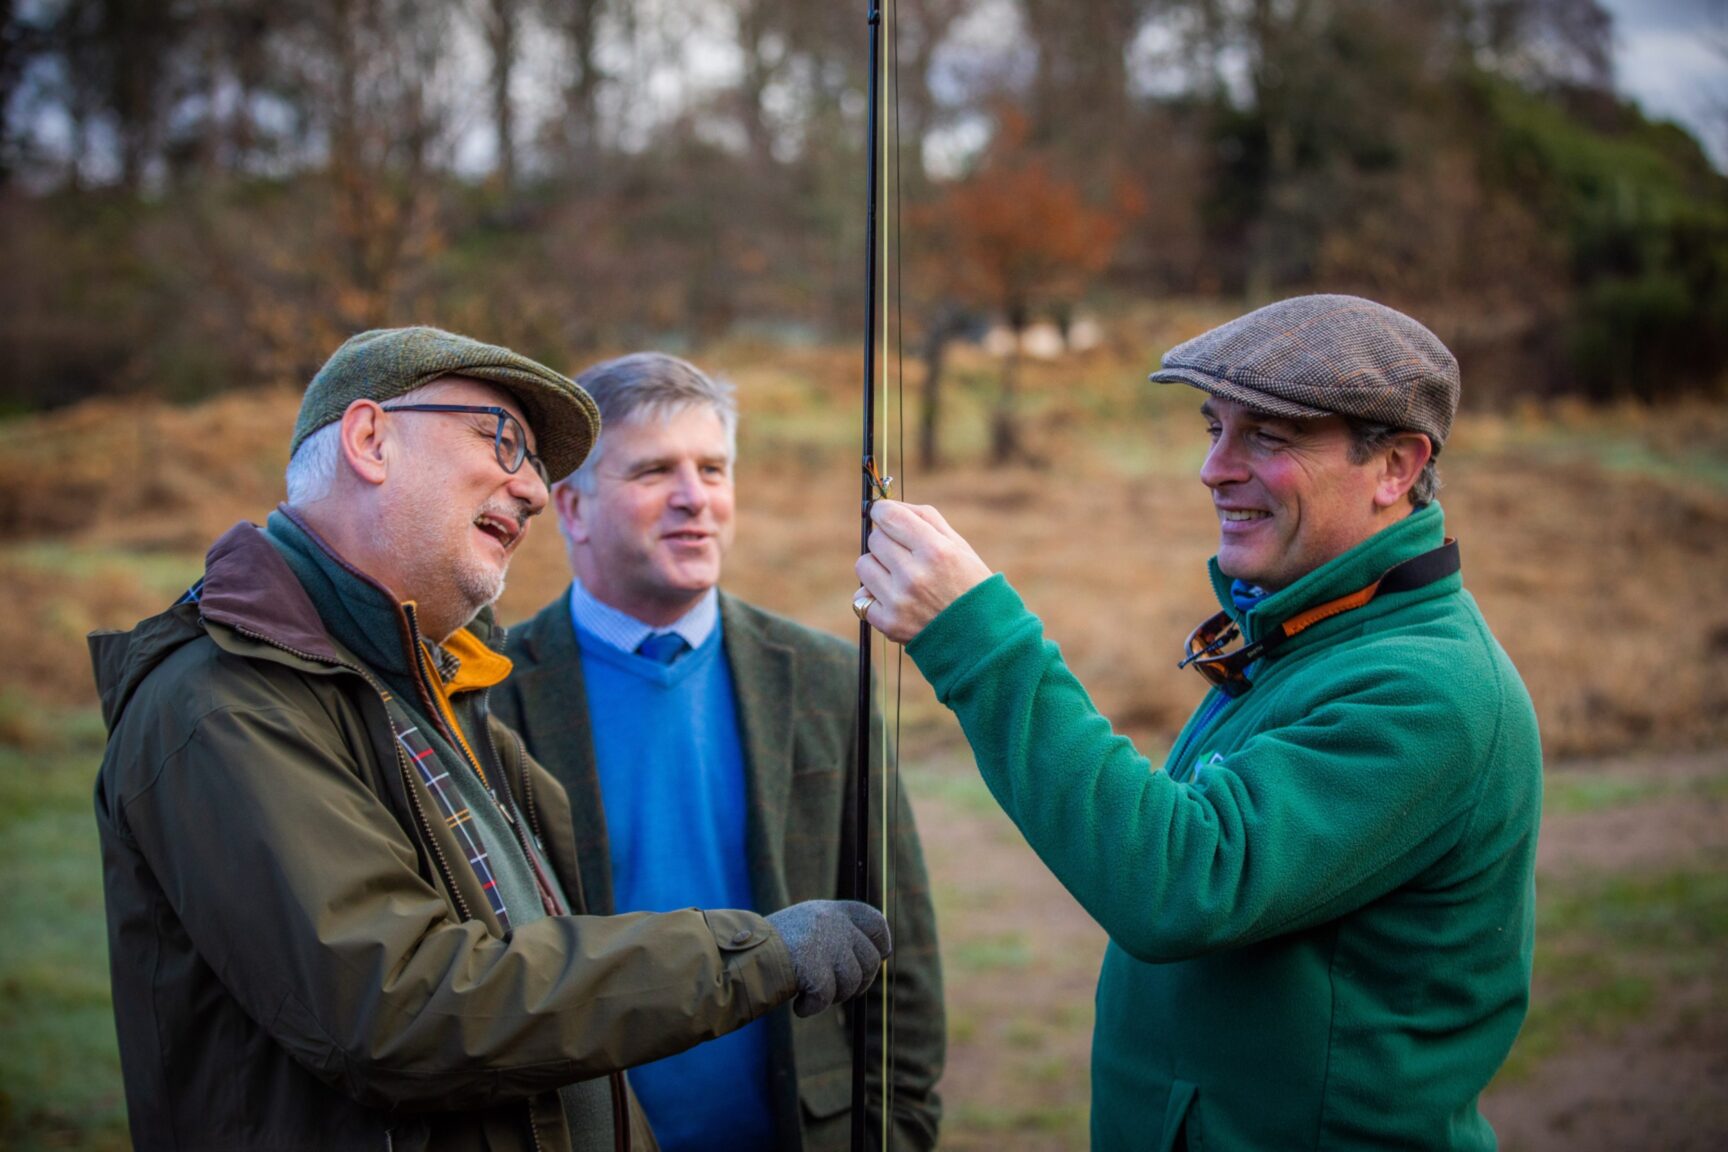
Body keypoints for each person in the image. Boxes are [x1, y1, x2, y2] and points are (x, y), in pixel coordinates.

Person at [91, 326, 893, 1152]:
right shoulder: (223, 705)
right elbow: (402, 1008)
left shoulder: (436, 690)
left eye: (536, 465)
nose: (535, 490)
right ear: (370, 440)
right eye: (499, 440)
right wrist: (754, 955)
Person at [853, 295, 1541, 1150]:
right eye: (1215, 428)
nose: (1214, 469)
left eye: (1268, 437)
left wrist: (979, 641)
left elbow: (1181, 883)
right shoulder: (1309, 633)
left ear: (1396, 467)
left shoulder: (1428, 692)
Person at [491, 352, 944, 1152]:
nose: (694, 497)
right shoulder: (488, 696)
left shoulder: (825, 678)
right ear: (572, 507)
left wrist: (897, 1132)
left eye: (712, 468)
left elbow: (896, 939)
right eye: (653, 471)